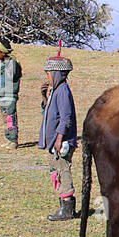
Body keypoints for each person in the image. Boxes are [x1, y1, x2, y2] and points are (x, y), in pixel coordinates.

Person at [39, 54, 78, 221]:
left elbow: (66, 117)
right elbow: (49, 113)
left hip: (61, 143)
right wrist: (44, 96)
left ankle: (67, 208)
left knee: (63, 170)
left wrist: (59, 138)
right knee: (57, 169)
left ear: (56, 73)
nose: (46, 76)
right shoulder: (56, 91)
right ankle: (64, 205)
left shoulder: (62, 91)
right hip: (57, 142)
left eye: (48, 73)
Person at [0, 39, 23, 148]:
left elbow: (9, 78)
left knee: (10, 117)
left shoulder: (11, 63)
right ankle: (9, 138)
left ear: (2, 52)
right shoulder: (4, 64)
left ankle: (13, 140)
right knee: (5, 118)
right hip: (3, 95)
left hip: (9, 96)